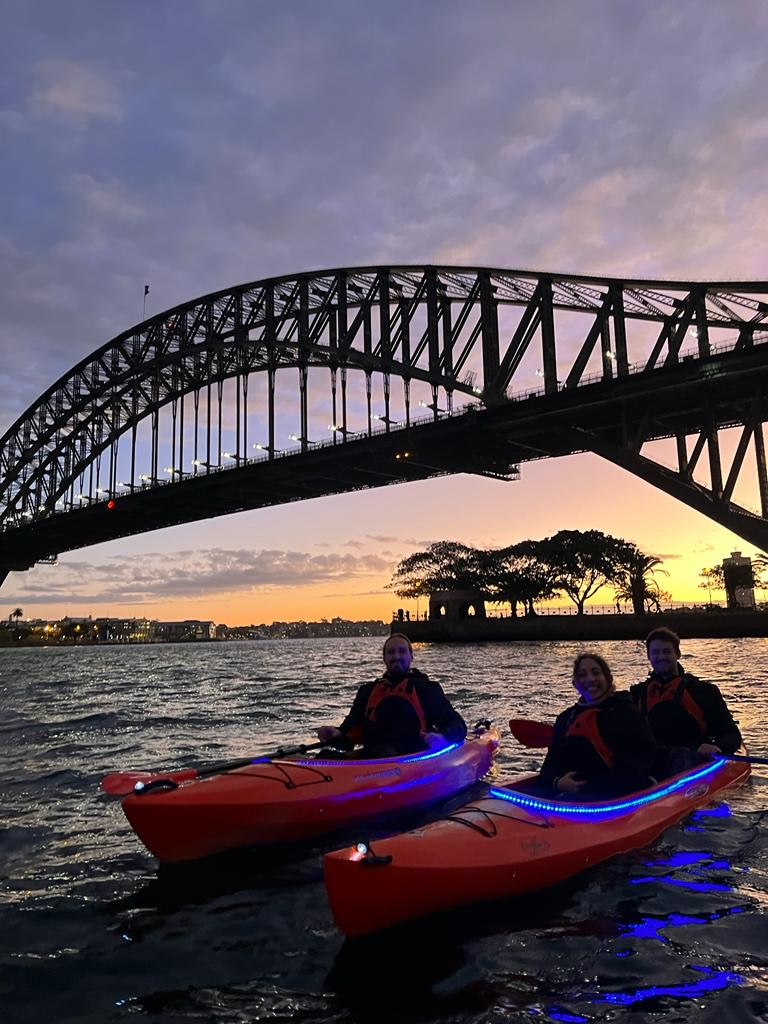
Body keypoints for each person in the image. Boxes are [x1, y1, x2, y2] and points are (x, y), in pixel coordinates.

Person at [316, 633, 467, 758]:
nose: (396, 656)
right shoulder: (367, 691)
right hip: (373, 758)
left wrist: (443, 737)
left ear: (411, 656)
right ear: (384, 658)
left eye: (402, 651)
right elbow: (348, 737)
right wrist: (335, 734)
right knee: (323, 756)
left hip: (413, 757)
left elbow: (458, 725)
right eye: (391, 652)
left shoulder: (426, 689)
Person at [535, 652, 657, 799]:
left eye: (596, 673)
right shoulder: (566, 718)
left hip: (613, 794)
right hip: (569, 794)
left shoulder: (626, 713)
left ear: (608, 678)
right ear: (575, 683)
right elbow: (549, 766)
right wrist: (558, 783)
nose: (590, 679)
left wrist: (590, 787)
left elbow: (640, 762)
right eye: (582, 675)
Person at [630, 627, 742, 757]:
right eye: (655, 652)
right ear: (649, 656)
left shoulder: (703, 692)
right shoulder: (637, 694)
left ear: (677, 654)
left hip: (692, 761)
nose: (661, 657)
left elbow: (731, 735)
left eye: (666, 651)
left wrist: (718, 746)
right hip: (653, 763)